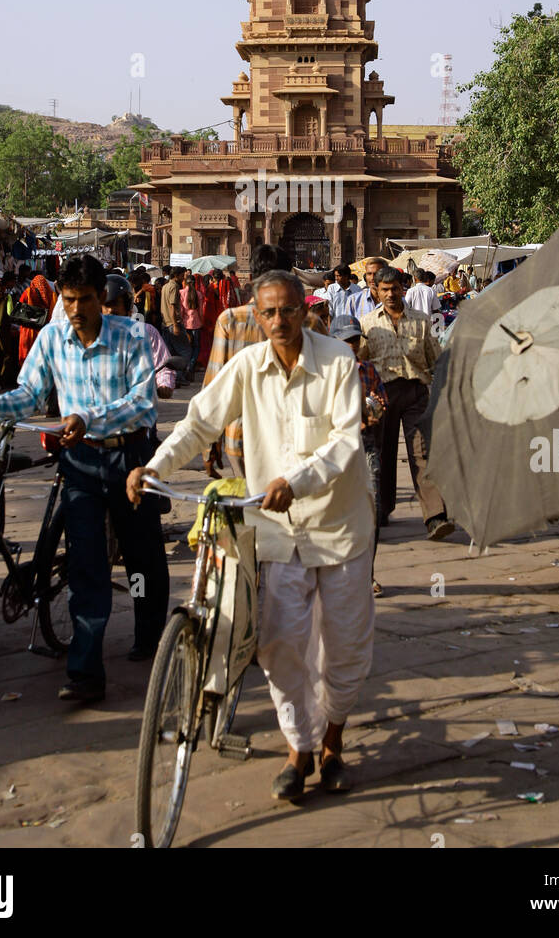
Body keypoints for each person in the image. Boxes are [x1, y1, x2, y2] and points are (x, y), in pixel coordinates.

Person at [127, 269, 375, 801]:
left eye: (289, 310)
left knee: (345, 650)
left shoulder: (337, 360)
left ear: (305, 311)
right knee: (279, 645)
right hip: (279, 533)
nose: (280, 321)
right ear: (255, 316)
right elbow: (198, 425)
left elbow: (346, 442)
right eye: (269, 312)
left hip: (341, 527)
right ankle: (299, 749)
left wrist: (298, 480)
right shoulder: (245, 367)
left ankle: (333, 738)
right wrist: (155, 469)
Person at [0, 253, 166, 702]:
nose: (76, 310)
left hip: (130, 459)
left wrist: (88, 417)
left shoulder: (130, 335)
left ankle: (151, 635)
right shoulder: (51, 339)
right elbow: (29, 395)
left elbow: (143, 403)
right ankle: (86, 673)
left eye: (84, 300)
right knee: (87, 567)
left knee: (142, 556)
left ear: (100, 298)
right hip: (81, 466)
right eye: (68, 300)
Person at [201, 245, 326, 480]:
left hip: (243, 437)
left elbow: (214, 387)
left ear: (252, 278)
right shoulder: (309, 323)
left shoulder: (230, 321)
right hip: (298, 438)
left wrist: (209, 445)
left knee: (255, 509)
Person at [361, 266, 453, 541]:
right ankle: (383, 508)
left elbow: (435, 358)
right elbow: (362, 362)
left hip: (415, 392)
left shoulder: (420, 321)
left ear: (404, 288)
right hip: (383, 395)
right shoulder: (368, 324)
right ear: (376, 291)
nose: (390, 295)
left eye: (395, 289)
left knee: (422, 453)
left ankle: (435, 516)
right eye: (384, 290)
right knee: (383, 453)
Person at [330, 314, 387, 596]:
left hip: (366, 445)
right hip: (333, 451)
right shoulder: (323, 374)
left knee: (370, 511)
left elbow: (381, 401)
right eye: (346, 341)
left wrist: (375, 410)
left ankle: (368, 574)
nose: (351, 346)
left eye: (354, 340)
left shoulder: (368, 370)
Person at [17, 271, 56, 365]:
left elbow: (20, 308)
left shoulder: (28, 292)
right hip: (43, 329)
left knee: (27, 353)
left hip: (28, 329)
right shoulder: (51, 294)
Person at [179, 272, 203, 383]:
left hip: (185, 323)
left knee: (186, 347)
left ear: (185, 282)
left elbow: (181, 311)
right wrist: (202, 321)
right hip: (196, 323)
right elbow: (201, 311)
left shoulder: (181, 292)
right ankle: (191, 366)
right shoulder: (198, 294)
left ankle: (186, 367)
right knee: (196, 346)